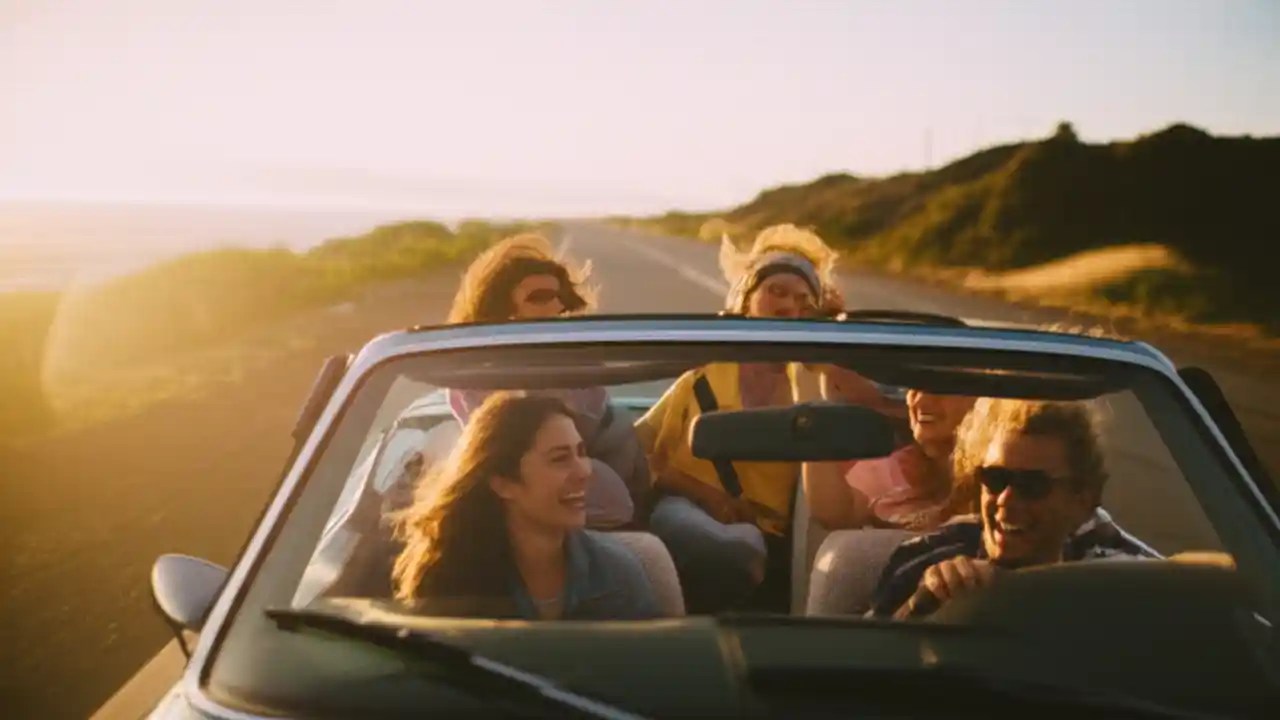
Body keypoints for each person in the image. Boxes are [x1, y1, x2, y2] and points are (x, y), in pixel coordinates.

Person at [637, 223, 887, 612]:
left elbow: (880, 411)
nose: (789, 306)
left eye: (804, 302)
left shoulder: (812, 376)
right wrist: (712, 498)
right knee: (730, 547)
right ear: (746, 299)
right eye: (776, 292)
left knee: (745, 549)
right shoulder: (704, 375)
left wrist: (834, 342)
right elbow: (646, 454)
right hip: (689, 508)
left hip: (771, 535)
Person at [867, 398, 1158, 619]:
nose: (1005, 499)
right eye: (995, 479)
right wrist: (925, 601)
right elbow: (862, 663)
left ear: (1082, 500)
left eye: (1032, 485)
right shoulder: (924, 560)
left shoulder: (1123, 587)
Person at [438, 232, 647, 529]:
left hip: (585, 474)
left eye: (558, 297)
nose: (553, 306)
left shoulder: (577, 363)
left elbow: (587, 435)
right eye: (538, 297)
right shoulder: (471, 373)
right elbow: (493, 443)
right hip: (510, 484)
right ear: (502, 307)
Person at [391, 393, 660, 620]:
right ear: (502, 482)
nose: (585, 471)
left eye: (581, 452)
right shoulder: (446, 578)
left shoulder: (618, 577)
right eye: (560, 458)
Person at [800, 385, 977, 531]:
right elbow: (835, 514)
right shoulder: (891, 467)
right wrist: (810, 426)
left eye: (940, 390)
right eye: (914, 388)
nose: (920, 401)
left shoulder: (998, 472)